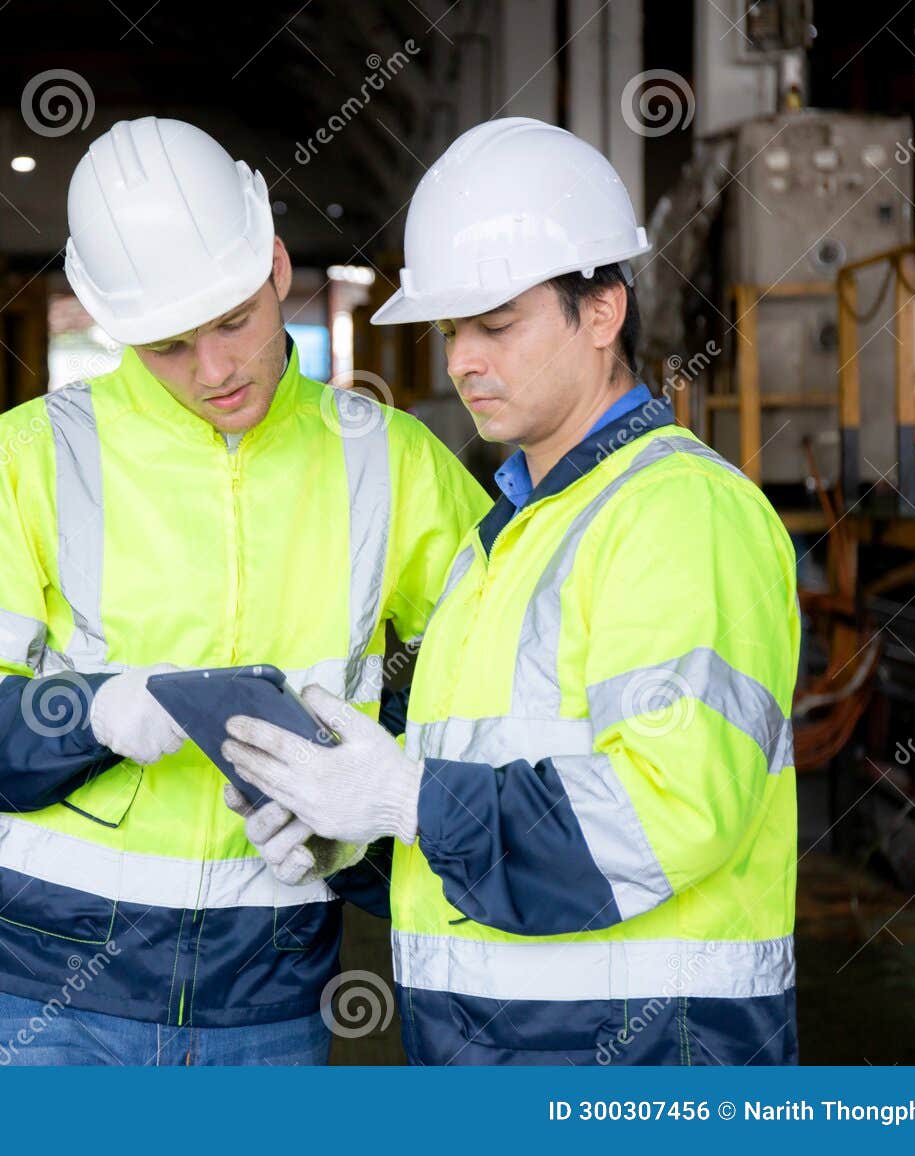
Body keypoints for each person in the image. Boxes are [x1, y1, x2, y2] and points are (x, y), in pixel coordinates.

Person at [0, 116, 490, 1065]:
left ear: (279, 269)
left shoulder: (394, 462)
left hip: (268, 992)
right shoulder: (36, 455)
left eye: (233, 323)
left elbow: (493, 710)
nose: (213, 372)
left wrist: (367, 817)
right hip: (48, 996)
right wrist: (90, 713)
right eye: (167, 346)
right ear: (114, 328)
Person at [222, 117, 799, 1066]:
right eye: (454, 330)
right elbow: (489, 786)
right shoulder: (512, 533)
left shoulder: (679, 514)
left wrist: (405, 802)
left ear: (604, 310)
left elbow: (666, 817)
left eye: (497, 325)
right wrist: (353, 831)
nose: (463, 361)